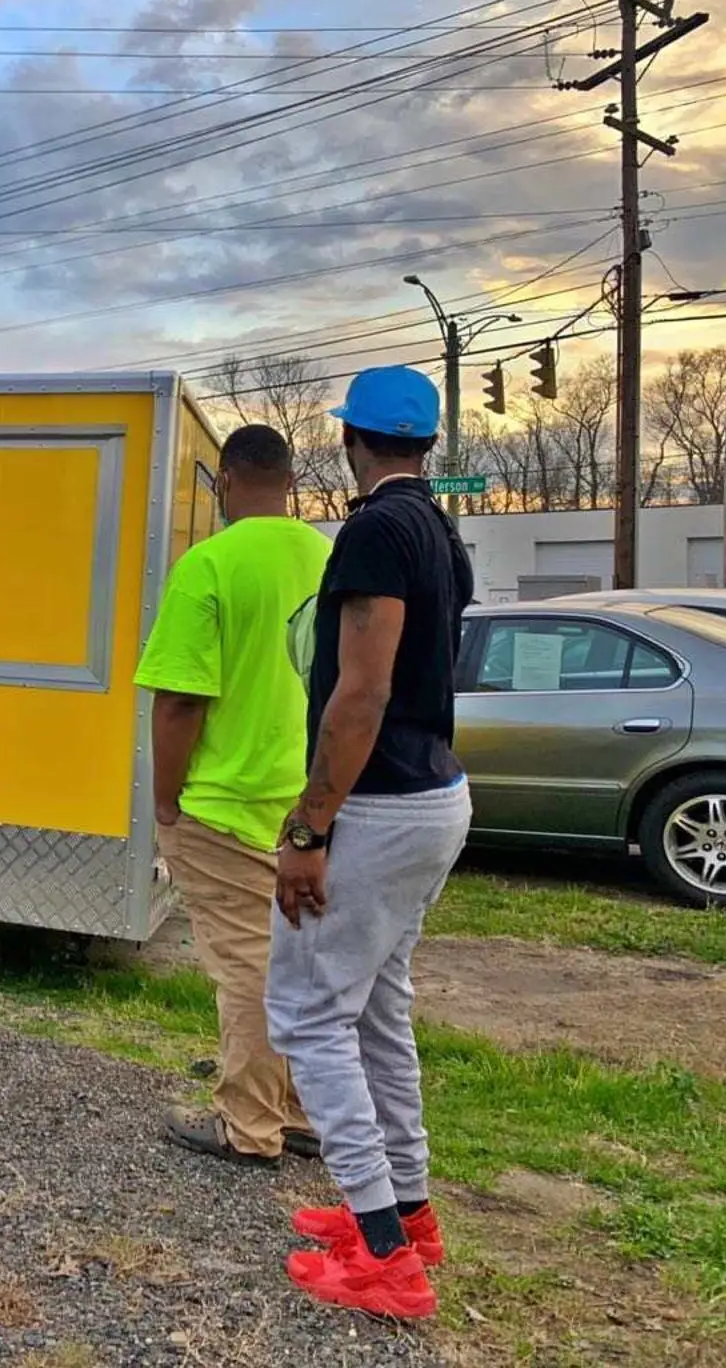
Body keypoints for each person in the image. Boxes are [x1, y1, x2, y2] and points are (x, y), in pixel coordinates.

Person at [265, 364, 474, 1320]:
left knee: (309, 1017)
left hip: (379, 806)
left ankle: (385, 1256)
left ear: (350, 438)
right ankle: (407, 1214)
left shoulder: (375, 531)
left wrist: (310, 824)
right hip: (434, 796)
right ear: (425, 442)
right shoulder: (439, 529)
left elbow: (362, 689)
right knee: (380, 1011)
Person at [134, 424, 330, 1170]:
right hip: (307, 807)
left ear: (224, 482)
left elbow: (181, 701)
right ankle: (300, 1112)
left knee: (247, 969)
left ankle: (248, 1125)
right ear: (290, 481)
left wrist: (165, 801)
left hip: (226, 804)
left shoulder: (208, 565)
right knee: (302, 965)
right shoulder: (329, 557)